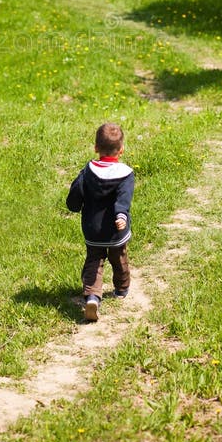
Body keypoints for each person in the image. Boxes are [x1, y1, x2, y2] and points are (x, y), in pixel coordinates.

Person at [66, 122, 135, 322]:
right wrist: (121, 216)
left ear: (96, 148)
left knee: (94, 261)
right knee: (118, 257)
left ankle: (92, 296)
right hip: (116, 229)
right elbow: (124, 199)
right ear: (121, 150)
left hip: (92, 229)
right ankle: (121, 289)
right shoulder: (126, 174)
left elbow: (76, 194)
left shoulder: (88, 171)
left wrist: (73, 205)